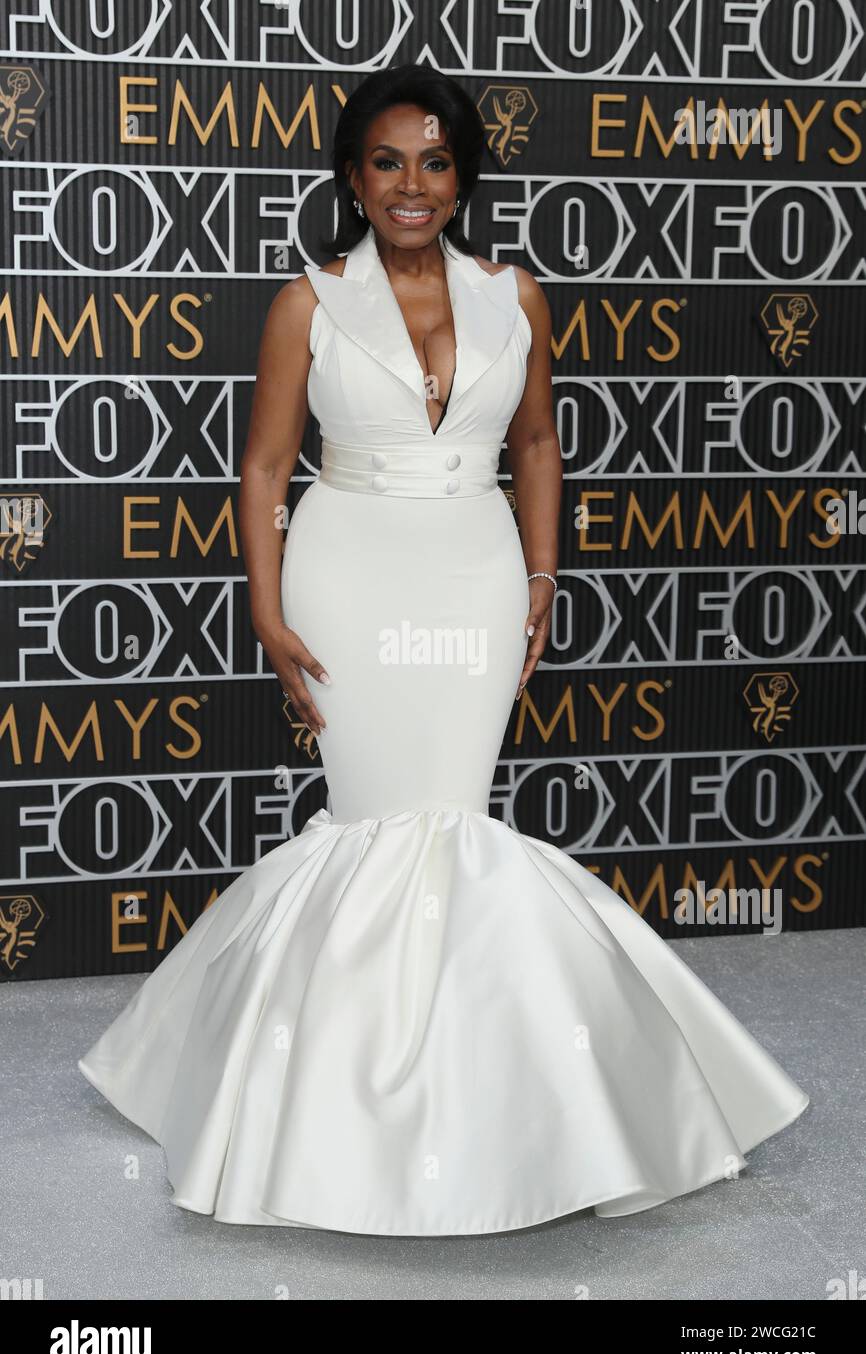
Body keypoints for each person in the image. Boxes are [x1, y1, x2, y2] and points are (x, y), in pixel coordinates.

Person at [78, 65, 809, 1236]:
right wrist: (266, 611)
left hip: (471, 570)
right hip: (346, 568)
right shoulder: (307, 302)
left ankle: (487, 1115)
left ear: (462, 175)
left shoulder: (513, 293)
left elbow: (535, 445)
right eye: (385, 161)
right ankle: (333, 1118)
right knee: (373, 823)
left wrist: (537, 576)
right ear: (351, 177)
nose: (409, 184)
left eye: (432, 160)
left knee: (454, 821)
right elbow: (266, 467)